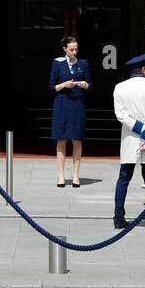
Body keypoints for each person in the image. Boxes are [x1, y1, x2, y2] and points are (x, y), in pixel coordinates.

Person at [112, 53, 145, 231]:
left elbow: (121, 115)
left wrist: (138, 128)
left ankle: (118, 218)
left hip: (130, 138)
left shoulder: (119, 87)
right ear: (144, 69)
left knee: (124, 178)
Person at [48, 36, 90, 187]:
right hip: (62, 104)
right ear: (65, 49)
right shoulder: (57, 63)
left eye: (76, 49)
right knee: (61, 139)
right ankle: (61, 176)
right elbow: (51, 87)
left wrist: (85, 85)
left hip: (77, 104)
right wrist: (64, 85)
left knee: (77, 139)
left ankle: (76, 175)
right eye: (71, 49)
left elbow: (89, 83)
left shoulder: (84, 63)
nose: (74, 52)